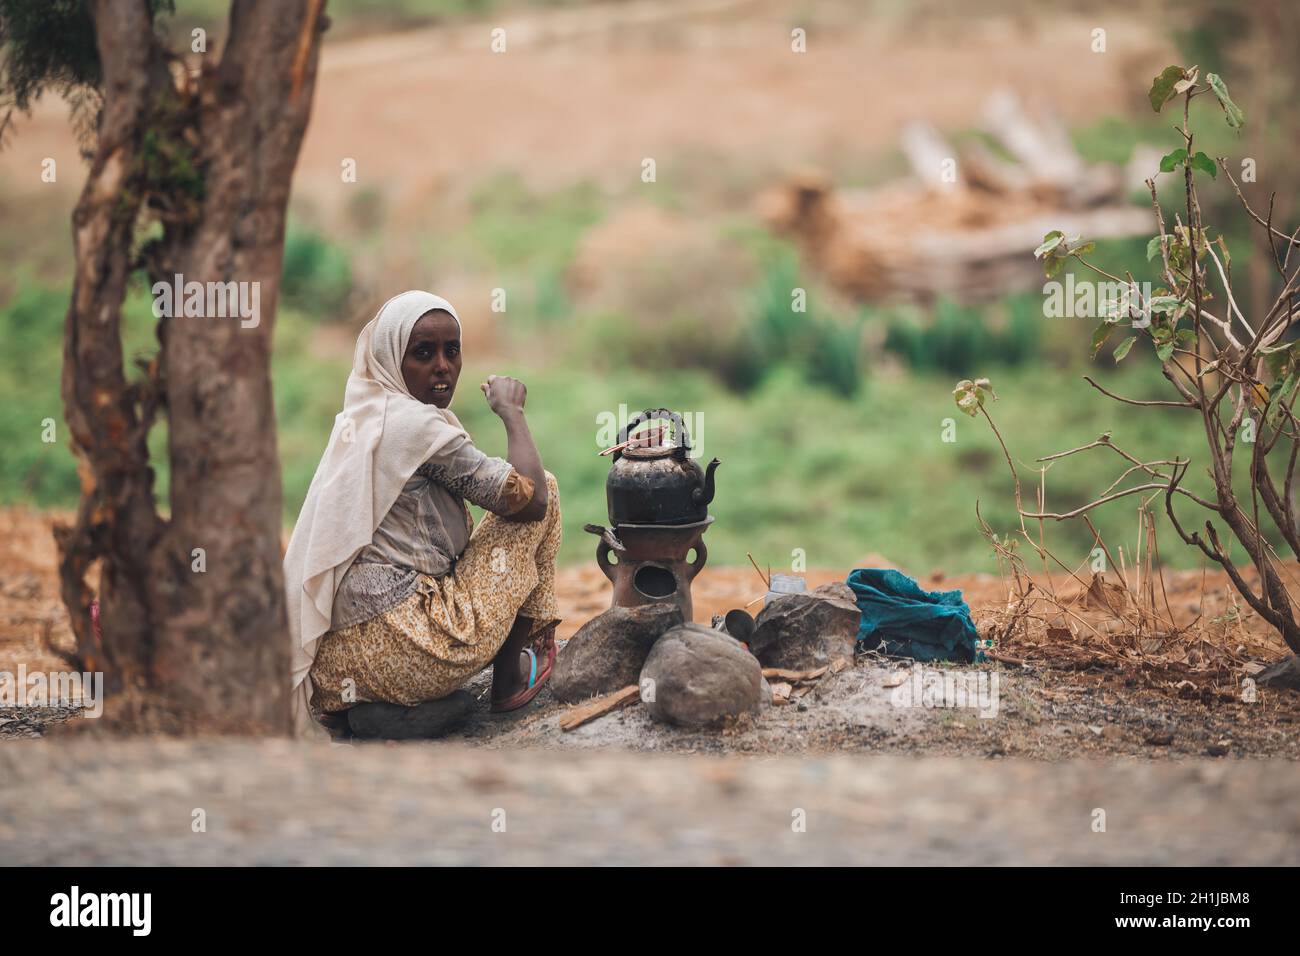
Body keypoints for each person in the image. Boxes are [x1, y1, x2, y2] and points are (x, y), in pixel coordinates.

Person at [284, 290, 561, 739]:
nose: (442, 366)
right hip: (411, 649)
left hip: (334, 670)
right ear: (392, 359)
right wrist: (513, 414)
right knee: (545, 484)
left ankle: (372, 709)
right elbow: (530, 502)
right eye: (423, 353)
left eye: (452, 351)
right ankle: (510, 677)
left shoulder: (364, 415)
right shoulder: (417, 429)